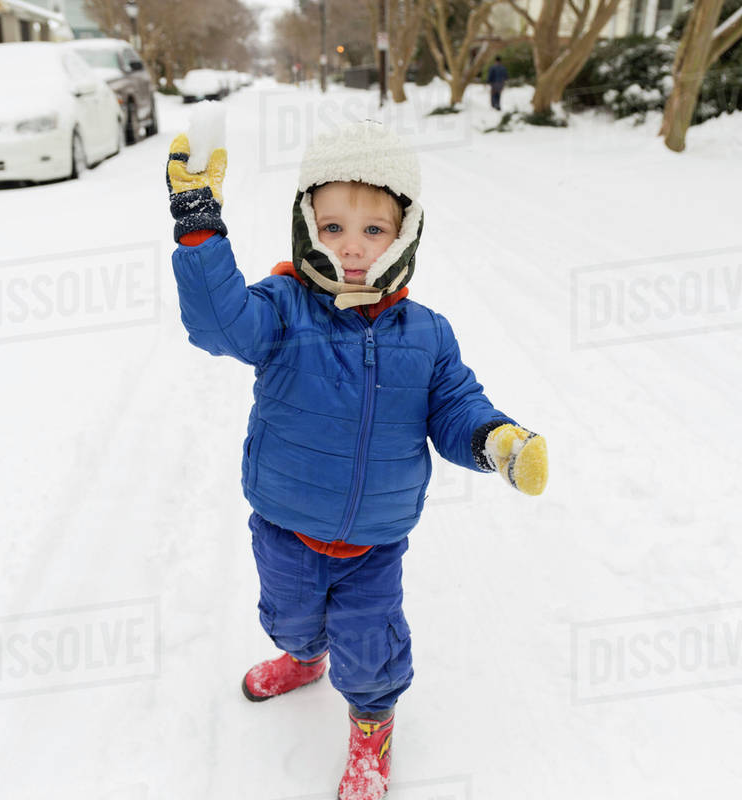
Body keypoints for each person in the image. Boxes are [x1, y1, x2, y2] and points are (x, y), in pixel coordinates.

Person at [165, 121, 547, 800]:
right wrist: (200, 230)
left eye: (374, 230)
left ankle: (372, 733)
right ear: (305, 224)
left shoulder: (426, 334)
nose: (352, 248)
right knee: (289, 619)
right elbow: (219, 325)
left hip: (374, 545)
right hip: (286, 527)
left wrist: (497, 441)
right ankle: (303, 658)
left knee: (371, 651)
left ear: (406, 235)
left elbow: (455, 406)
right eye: (334, 225)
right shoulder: (283, 310)